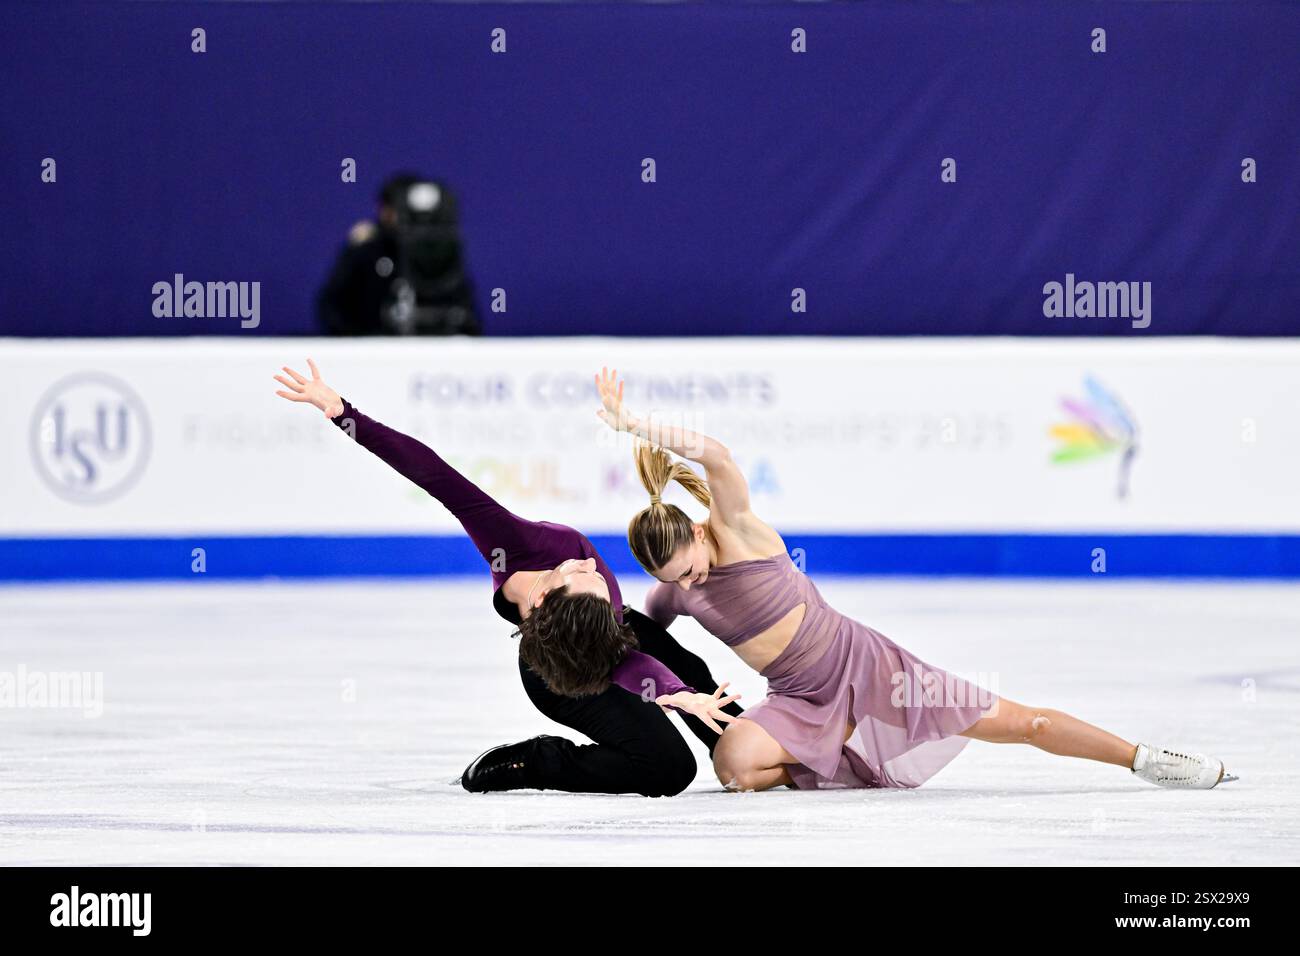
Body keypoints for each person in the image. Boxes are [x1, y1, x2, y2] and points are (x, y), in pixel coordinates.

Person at [556, 367, 1236, 792]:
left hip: (873, 666)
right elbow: (645, 641)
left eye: (692, 564)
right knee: (734, 764)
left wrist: (635, 423)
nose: (693, 579)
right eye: (679, 578)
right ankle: (832, 754)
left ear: (699, 532)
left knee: (1018, 721)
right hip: (798, 697)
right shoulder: (673, 593)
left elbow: (719, 454)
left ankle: (1142, 757)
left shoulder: (735, 528)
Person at [272, 359, 741, 796]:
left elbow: (434, 476)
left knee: (690, 670)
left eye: (588, 576)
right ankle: (538, 761)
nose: (591, 565)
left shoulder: (523, 548)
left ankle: (759, 743)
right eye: (587, 574)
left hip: (606, 638)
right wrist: (673, 696)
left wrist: (684, 695)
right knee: (669, 769)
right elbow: (628, 667)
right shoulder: (561, 604)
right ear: (542, 601)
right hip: (561, 677)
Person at [317, 173, 480, 336]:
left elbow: (468, 319)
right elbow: (332, 309)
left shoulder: (442, 251)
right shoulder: (368, 251)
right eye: (401, 211)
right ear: (385, 210)